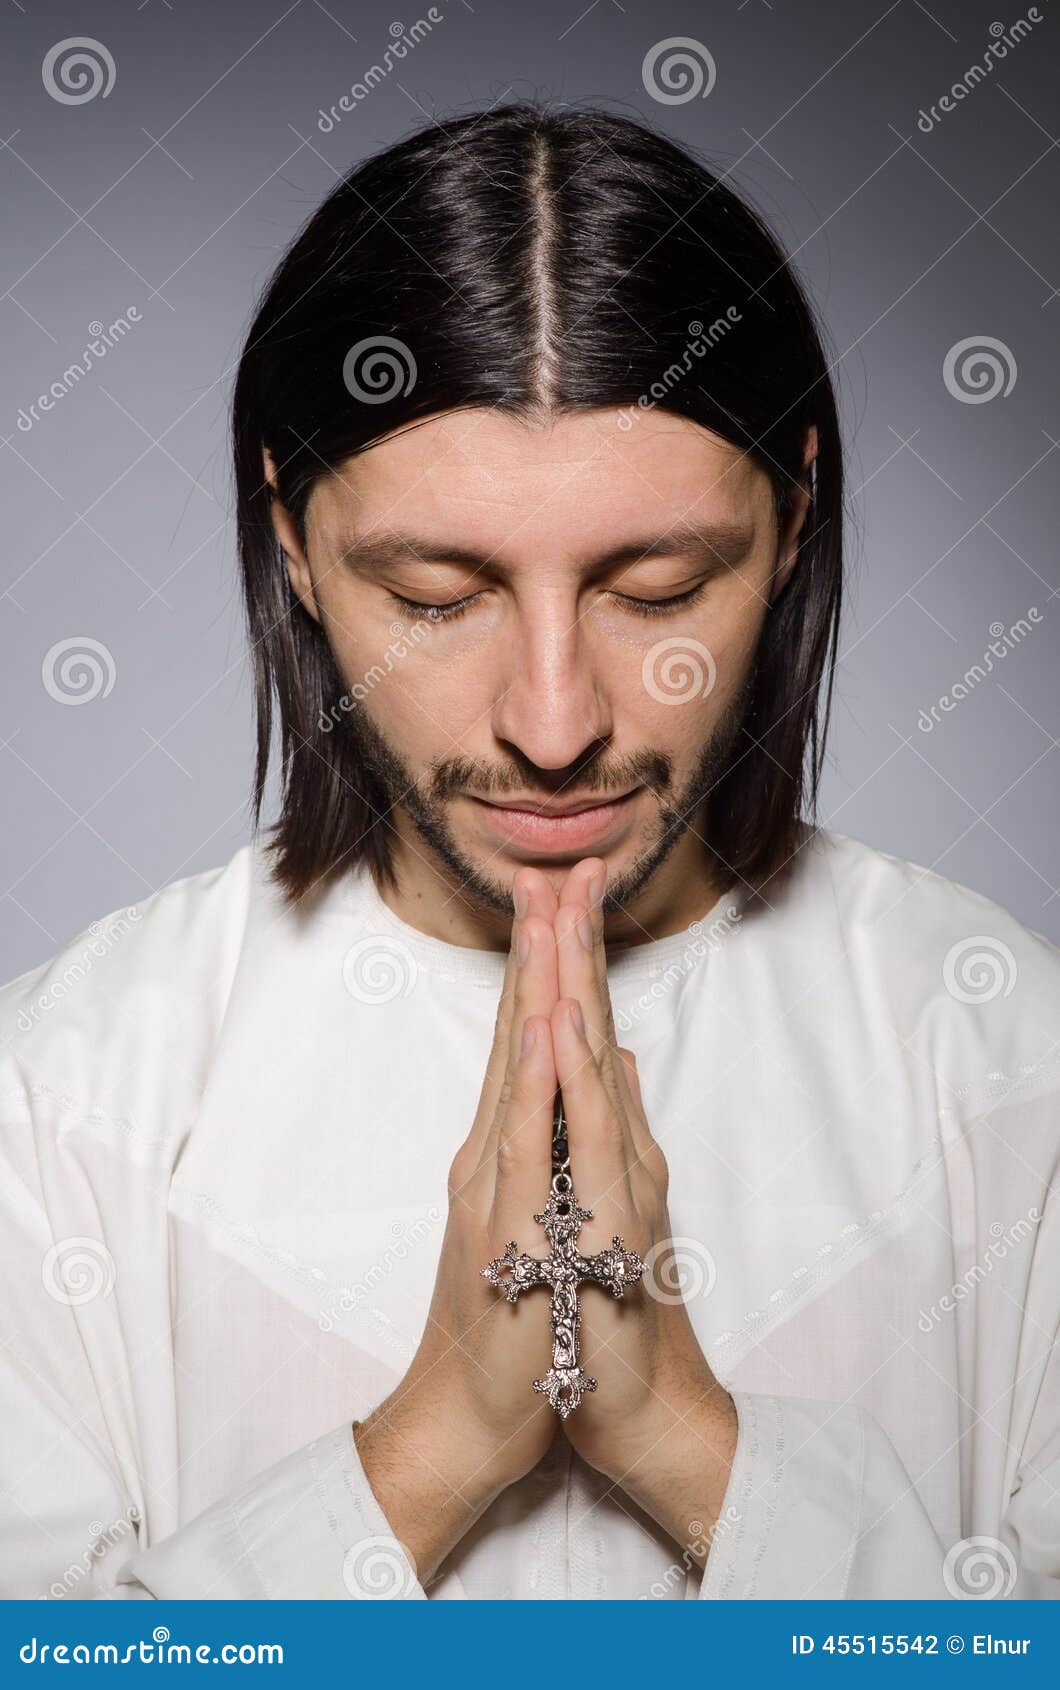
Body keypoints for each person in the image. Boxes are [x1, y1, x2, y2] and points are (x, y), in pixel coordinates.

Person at [2, 102, 1057, 1603]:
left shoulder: (1020, 1067)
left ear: (797, 515)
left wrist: (689, 1442)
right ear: (292, 541)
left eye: (660, 586)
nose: (554, 721)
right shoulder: (55, 1104)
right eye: (436, 593)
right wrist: (437, 1442)